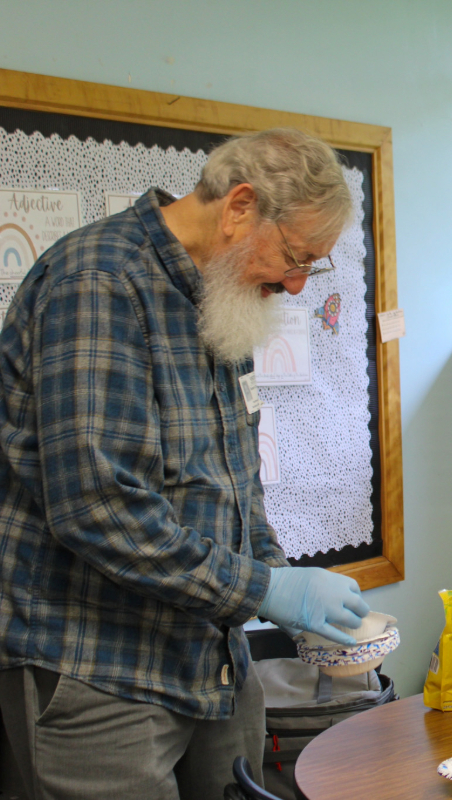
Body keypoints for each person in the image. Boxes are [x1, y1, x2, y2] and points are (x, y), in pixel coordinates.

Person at [0, 128, 371, 799]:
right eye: (294, 257)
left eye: (311, 268)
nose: (294, 285)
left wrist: (278, 576)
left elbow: (236, 480)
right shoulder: (99, 285)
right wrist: (261, 591)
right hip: (98, 672)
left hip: (209, 662)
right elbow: (99, 506)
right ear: (239, 207)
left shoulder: (222, 298)